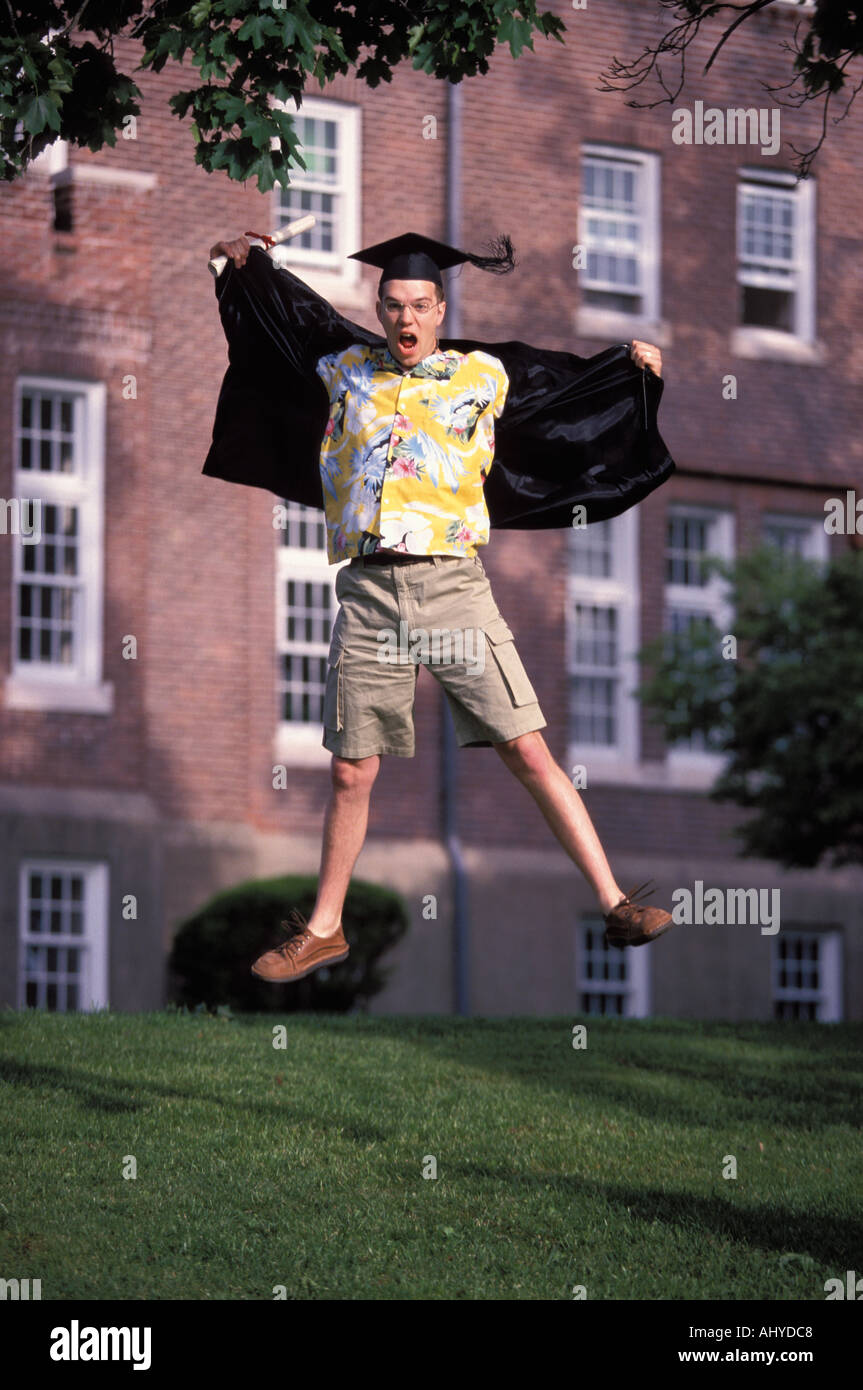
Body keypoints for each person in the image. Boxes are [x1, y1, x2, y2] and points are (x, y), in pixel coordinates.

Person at [206, 230, 676, 984]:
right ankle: (325, 930)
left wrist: (628, 372)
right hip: (367, 593)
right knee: (351, 771)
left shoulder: (478, 375)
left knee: (525, 749)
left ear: (440, 307)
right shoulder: (343, 368)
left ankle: (616, 901)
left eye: (419, 305)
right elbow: (281, 327)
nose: (406, 318)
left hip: (453, 588)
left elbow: (561, 391)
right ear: (379, 307)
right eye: (392, 305)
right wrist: (240, 265)